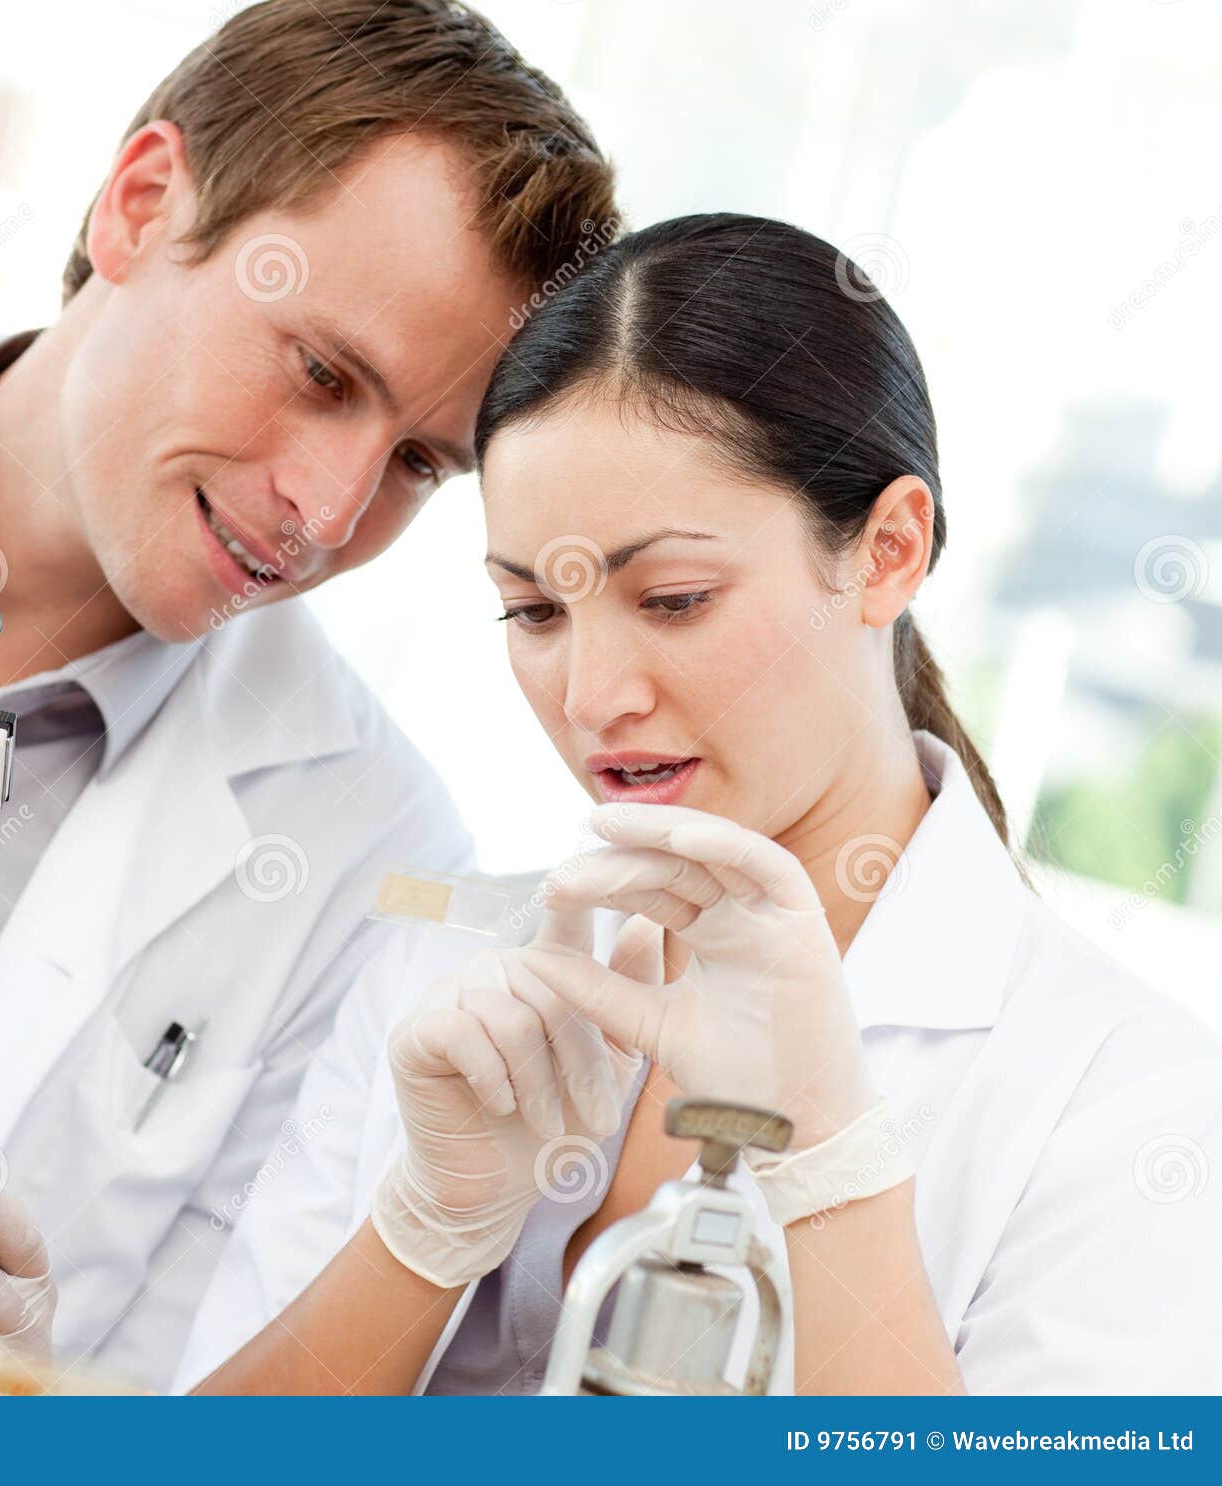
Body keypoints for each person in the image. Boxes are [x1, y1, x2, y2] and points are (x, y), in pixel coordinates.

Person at [0, 0, 617, 1390]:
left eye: (417, 465)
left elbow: (190, 1403)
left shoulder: (363, 852)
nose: (329, 510)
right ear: (141, 205)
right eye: (322, 372)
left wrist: (17, 1392)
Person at [160, 214, 1222, 1394]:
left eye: (671, 598)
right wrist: (420, 1239)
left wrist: (833, 1170)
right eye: (535, 612)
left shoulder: (1131, 1100)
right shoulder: (440, 971)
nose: (590, 696)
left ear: (888, 551)